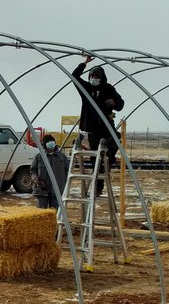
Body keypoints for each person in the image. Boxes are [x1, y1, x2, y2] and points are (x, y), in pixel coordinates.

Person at [72, 54, 124, 194]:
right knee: (96, 159)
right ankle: (97, 188)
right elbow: (74, 76)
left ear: (101, 78)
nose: (93, 79)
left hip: (106, 125)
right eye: (91, 76)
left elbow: (120, 104)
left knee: (115, 139)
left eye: (96, 77)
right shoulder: (86, 89)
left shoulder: (108, 89)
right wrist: (85, 63)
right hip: (92, 128)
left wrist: (113, 102)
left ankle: (111, 157)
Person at [30, 134, 68, 212]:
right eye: (49, 145)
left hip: (57, 191)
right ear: (44, 145)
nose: (51, 147)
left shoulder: (62, 157)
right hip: (42, 191)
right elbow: (32, 171)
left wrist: (63, 185)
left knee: (54, 214)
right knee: (41, 214)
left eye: (52, 144)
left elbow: (67, 172)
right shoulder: (39, 157)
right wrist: (36, 179)